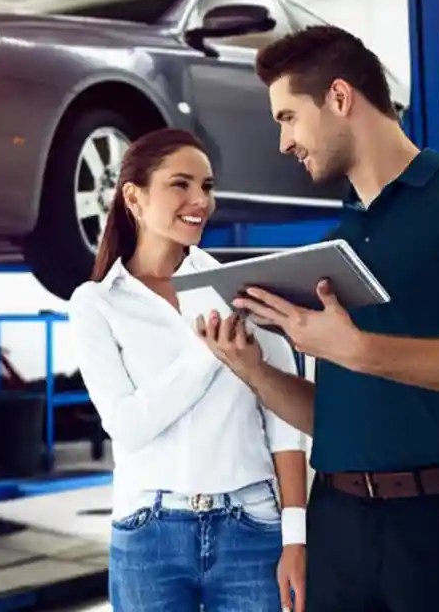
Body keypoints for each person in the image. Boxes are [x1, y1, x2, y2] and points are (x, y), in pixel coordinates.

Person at [212, 24, 439, 611]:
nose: (283, 142)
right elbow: (344, 421)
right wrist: (256, 373)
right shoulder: (340, 241)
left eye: (288, 117)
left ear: (339, 98)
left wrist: (355, 348)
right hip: (340, 524)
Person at [67, 127, 310, 612]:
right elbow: (129, 427)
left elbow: (285, 430)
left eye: (207, 186)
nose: (200, 199)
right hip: (148, 535)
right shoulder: (96, 304)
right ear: (133, 197)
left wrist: (296, 538)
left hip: (252, 527)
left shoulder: (242, 289)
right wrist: (211, 351)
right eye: (181, 184)